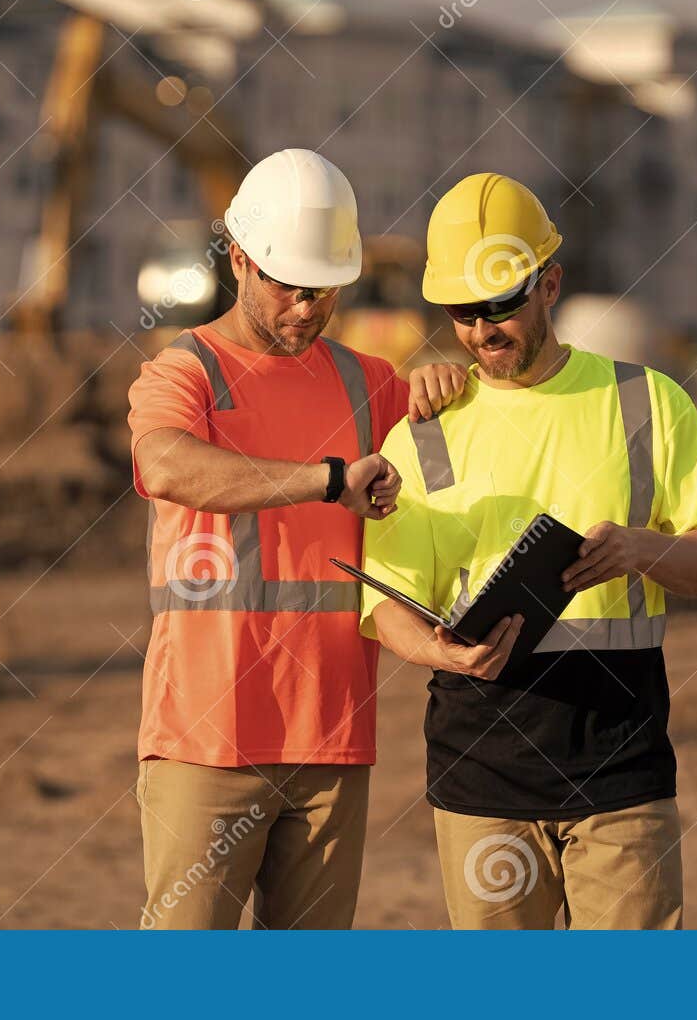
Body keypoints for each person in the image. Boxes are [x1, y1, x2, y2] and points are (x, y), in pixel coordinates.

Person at [359, 172, 697, 929]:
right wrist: (440, 654)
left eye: (500, 304)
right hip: (480, 772)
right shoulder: (423, 430)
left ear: (550, 284)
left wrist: (642, 550)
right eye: (462, 312)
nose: (481, 330)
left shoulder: (648, 403)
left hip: (620, 767)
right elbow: (384, 598)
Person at [128, 148, 460, 929]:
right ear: (239, 259)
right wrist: (324, 477)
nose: (307, 308)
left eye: (325, 290)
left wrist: (450, 386)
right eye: (290, 286)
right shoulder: (183, 374)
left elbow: (455, 475)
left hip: (332, 738)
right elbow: (169, 464)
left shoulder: (370, 382)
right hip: (205, 735)